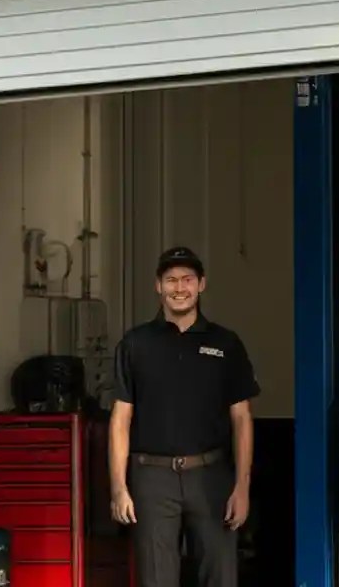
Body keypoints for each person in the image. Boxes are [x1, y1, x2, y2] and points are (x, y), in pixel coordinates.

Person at [109, 246, 260, 587]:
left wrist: (242, 487)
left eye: (187, 279)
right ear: (158, 286)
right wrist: (119, 487)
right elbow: (120, 419)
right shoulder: (135, 344)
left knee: (219, 575)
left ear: (202, 284)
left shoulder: (226, 344)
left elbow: (242, 419)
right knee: (156, 578)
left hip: (211, 476)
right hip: (152, 478)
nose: (180, 288)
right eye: (171, 280)